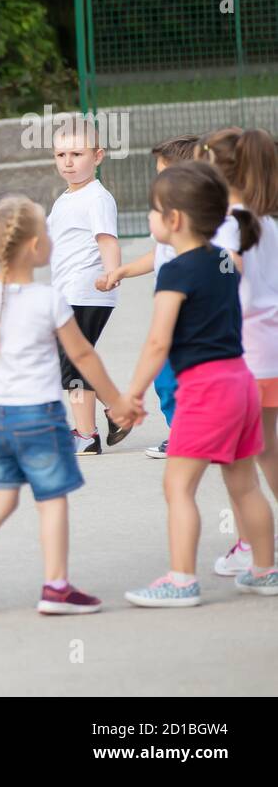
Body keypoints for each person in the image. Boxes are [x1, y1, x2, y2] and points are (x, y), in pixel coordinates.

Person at [0, 196, 137, 615]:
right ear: (35, 247)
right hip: (40, 419)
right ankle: (56, 588)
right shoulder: (49, 300)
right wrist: (118, 402)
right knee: (51, 500)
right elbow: (84, 357)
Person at [119, 163, 277, 606]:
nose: (149, 219)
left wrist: (131, 394)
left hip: (206, 390)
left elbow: (157, 341)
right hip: (242, 382)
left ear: (174, 219)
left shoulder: (176, 272)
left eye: (153, 211)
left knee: (178, 486)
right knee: (244, 484)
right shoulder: (228, 259)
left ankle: (182, 578)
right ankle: (266, 570)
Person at [191, 129, 278, 577]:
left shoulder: (231, 226)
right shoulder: (269, 222)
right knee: (268, 452)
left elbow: (230, 271)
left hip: (247, 356)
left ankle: (251, 546)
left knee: (242, 459)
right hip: (271, 352)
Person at [95, 136, 201, 458]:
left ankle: (186, 435)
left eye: (162, 173)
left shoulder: (195, 219)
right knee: (171, 380)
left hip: (185, 316)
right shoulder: (173, 219)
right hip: (173, 313)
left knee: (171, 379)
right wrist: (123, 271)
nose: (157, 180)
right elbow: (158, 254)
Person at [47, 122, 124, 455]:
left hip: (88, 291)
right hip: (67, 292)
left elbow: (106, 239)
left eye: (77, 154)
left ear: (98, 156)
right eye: (61, 154)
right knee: (76, 359)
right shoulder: (65, 198)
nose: (68, 161)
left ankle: (85, 434)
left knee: (74, 362)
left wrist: (112, 272)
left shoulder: (96, 198)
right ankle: (118, 413)